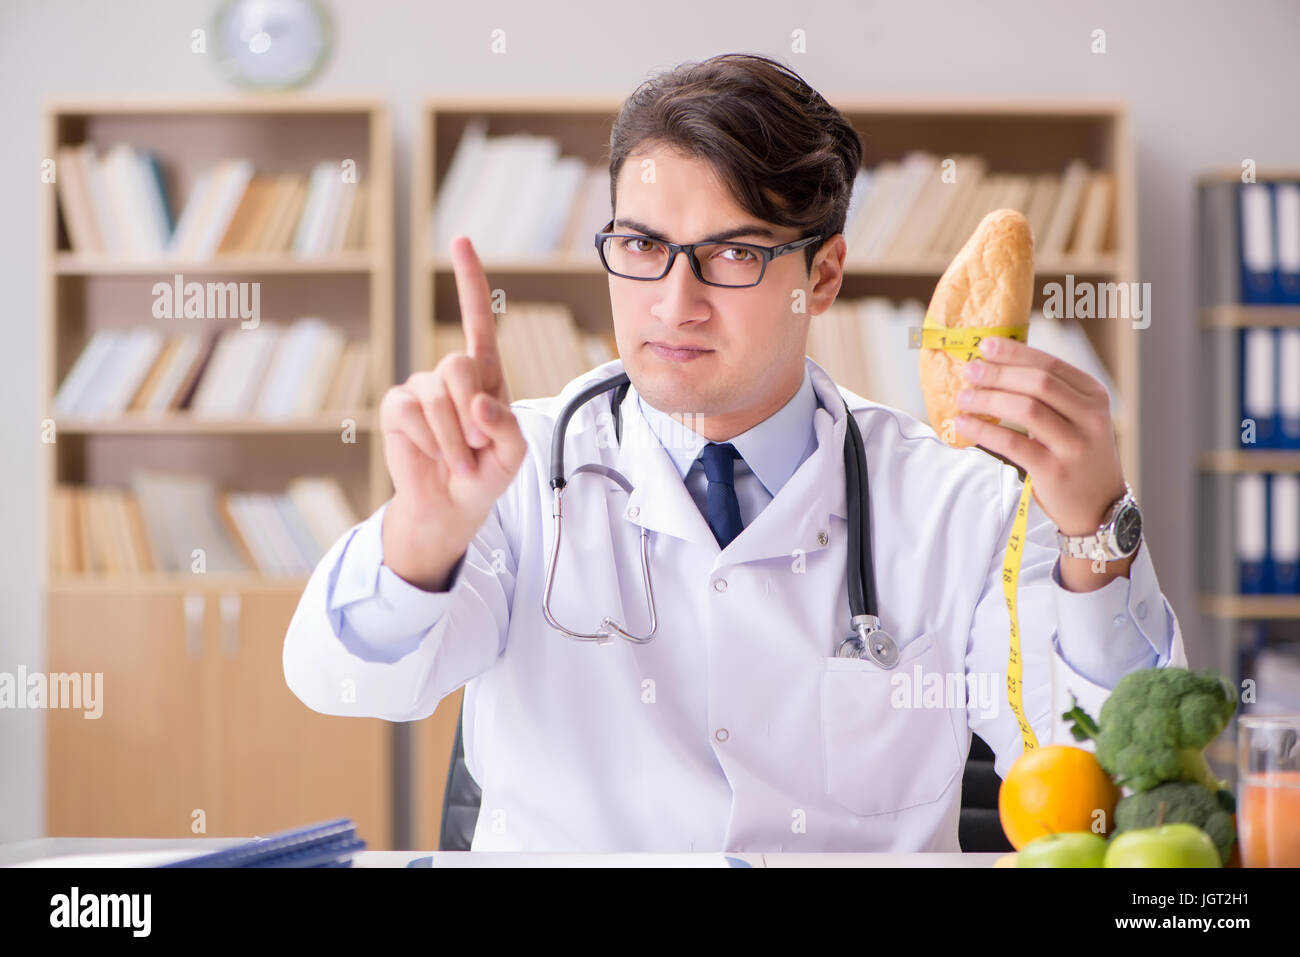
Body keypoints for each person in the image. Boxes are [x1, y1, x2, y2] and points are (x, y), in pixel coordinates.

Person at [283, 52, 1186, 852]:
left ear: (821, 276)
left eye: (732, 255)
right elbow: (346, 680)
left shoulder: (957, 497)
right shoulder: (510, 471)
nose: (675, 302)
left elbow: (1108, 764)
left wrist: (1096, 536)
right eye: (641, 245)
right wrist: (421, 534)